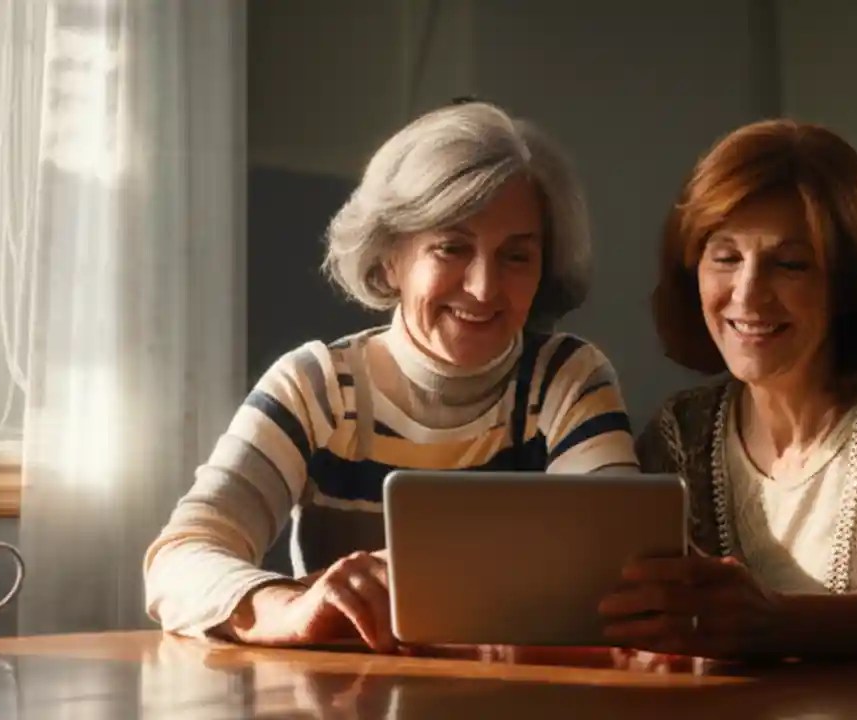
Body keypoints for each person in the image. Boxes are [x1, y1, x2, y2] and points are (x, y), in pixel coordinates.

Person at [145, 101, 637, 652]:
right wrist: (292, 607)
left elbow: (616, 570)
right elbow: (179, 559)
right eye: (452, 248)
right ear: (388, 258)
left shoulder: (569, 378)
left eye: (516, 256)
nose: (483, 287)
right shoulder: (317, 385)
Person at [599, 119, 857, 659]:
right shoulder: (678, 432)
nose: (748, 296)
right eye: (726, 257)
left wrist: (779, 623)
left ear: (850, 282)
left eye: (791, 264)